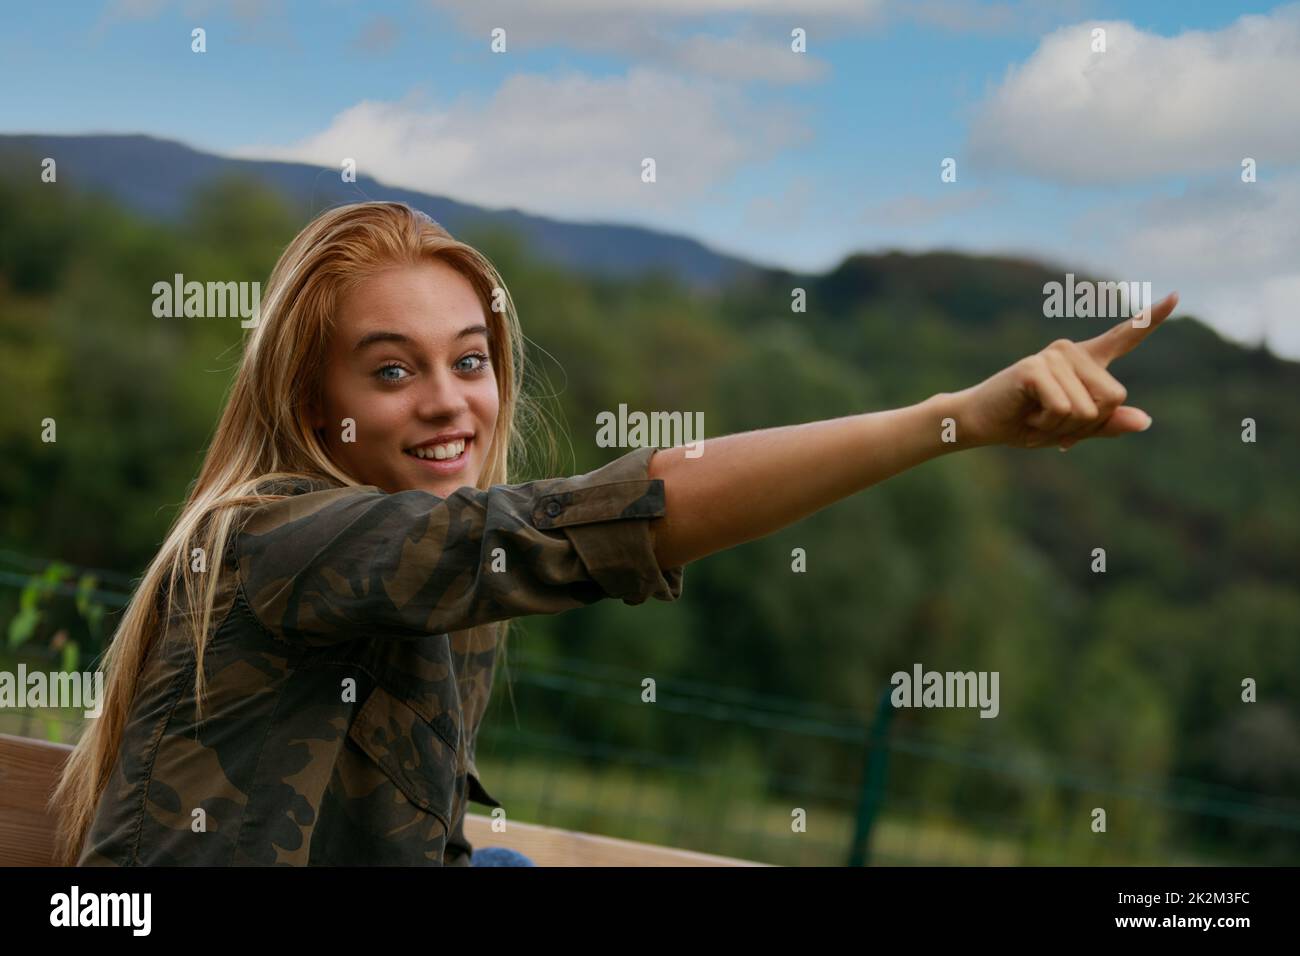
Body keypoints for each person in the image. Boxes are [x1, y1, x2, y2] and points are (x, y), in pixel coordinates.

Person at [52, 201, 1177, 866]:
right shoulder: (278, 542)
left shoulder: (432, 578)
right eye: (391, 369)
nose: (449, 399)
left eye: (470, 358)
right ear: (309, 405)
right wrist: (954, 420)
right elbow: (604, 519)